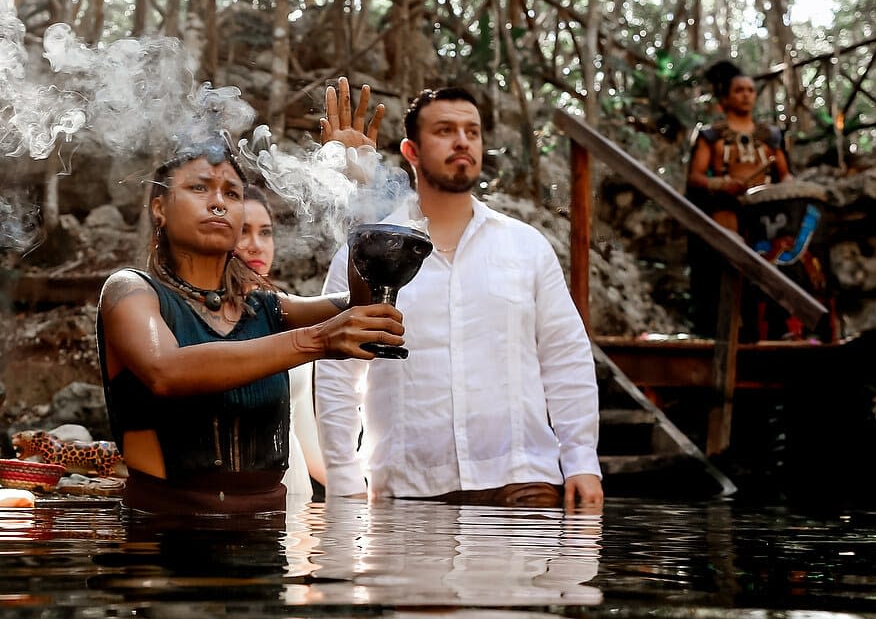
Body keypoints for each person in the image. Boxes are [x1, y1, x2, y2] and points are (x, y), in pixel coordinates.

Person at [315, 84, 603, 511]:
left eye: (472, 131)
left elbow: (566, 356)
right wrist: (343, 479)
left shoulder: (526, 247)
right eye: (445, 130)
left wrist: (581, 459)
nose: (462, 140)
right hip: (406, 487)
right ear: (411, 151)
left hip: (522, 483)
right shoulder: (369, 251)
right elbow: (336, 372)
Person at [96, 132, 404, 515]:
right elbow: (165, 371)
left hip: (265, 542)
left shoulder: (267, 308)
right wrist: (315, 342)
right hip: (160, 542)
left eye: (232, 193)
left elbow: (366, 303)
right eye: (199, 188)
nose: (218, 203)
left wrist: (358, 193)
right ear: (159, 208)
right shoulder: (130, 291)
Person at [685, 60, 793, 336]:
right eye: (739, 90)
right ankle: (731, 327)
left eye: (750, 90)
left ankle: (778, 327)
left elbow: (786, 174)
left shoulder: (770, 136)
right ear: (727, 97)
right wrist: (722, 184)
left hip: (768, 211)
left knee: (784, 255)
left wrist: (788, 190)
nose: (746, 95)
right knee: (730, 256)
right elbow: (695, 178)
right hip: (727, 208)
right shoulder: (712, 136)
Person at [233, 187, 327, 501]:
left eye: (266, 233)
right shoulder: (203, 323)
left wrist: (361, 493)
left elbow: (302, 433)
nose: (256, 246)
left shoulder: (289, 317)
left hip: (297, 502)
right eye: (243, 232)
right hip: (241, 508)